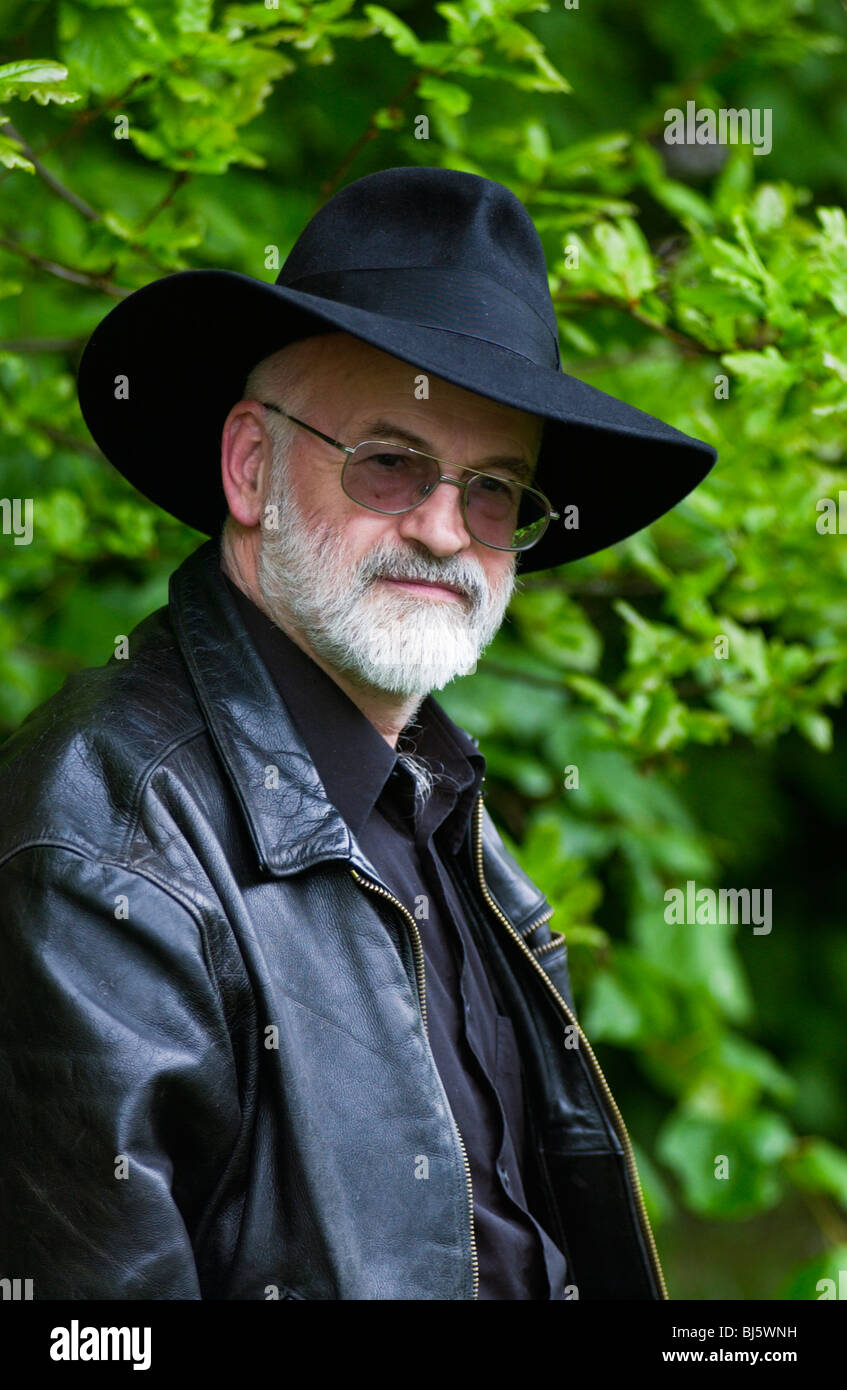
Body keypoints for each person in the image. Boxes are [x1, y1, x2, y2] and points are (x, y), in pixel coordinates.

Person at [0, 166, 716, 1300]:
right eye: (390, 463)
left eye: (493, 491)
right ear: (251, 466)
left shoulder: (444, 810)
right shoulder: (103, 835)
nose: (444, 530)